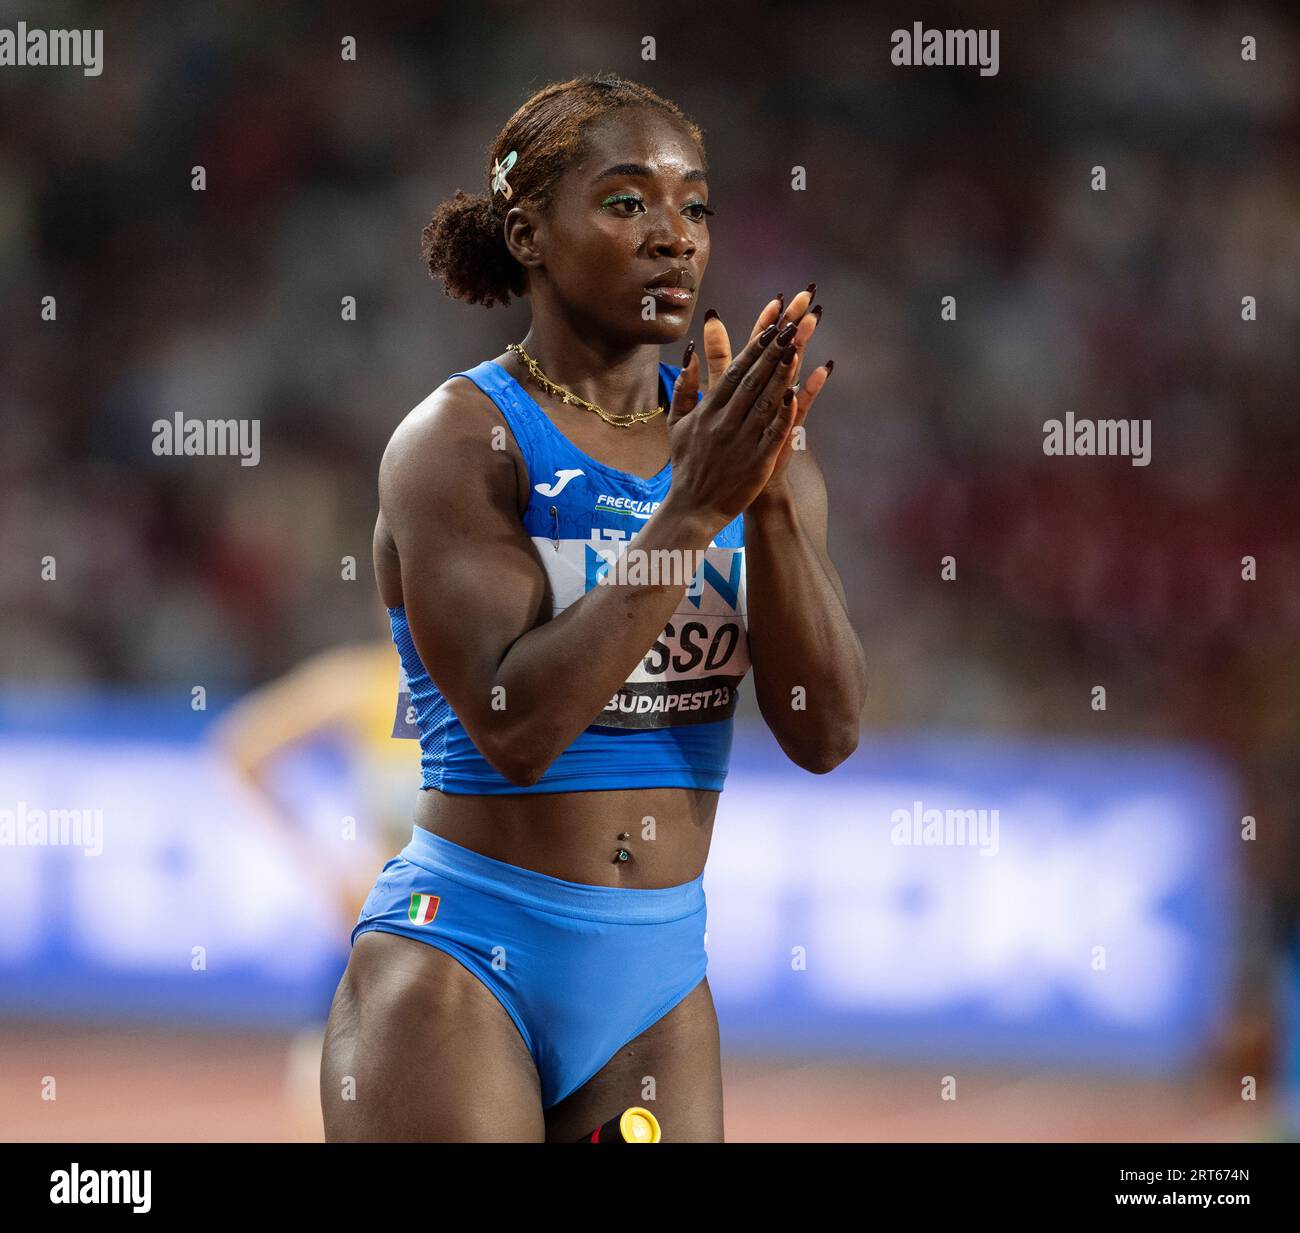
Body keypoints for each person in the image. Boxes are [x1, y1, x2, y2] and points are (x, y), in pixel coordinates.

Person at [320, 73, 866, 1142]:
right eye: (627, 203)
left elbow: (826, 731)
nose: (673, 237)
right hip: (466, 953)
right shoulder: (460, 442)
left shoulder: (741, 444)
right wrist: (689, 516)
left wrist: (769, 507)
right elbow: (515, 728)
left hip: (658, 977)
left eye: (694, 207)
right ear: (528, 233)